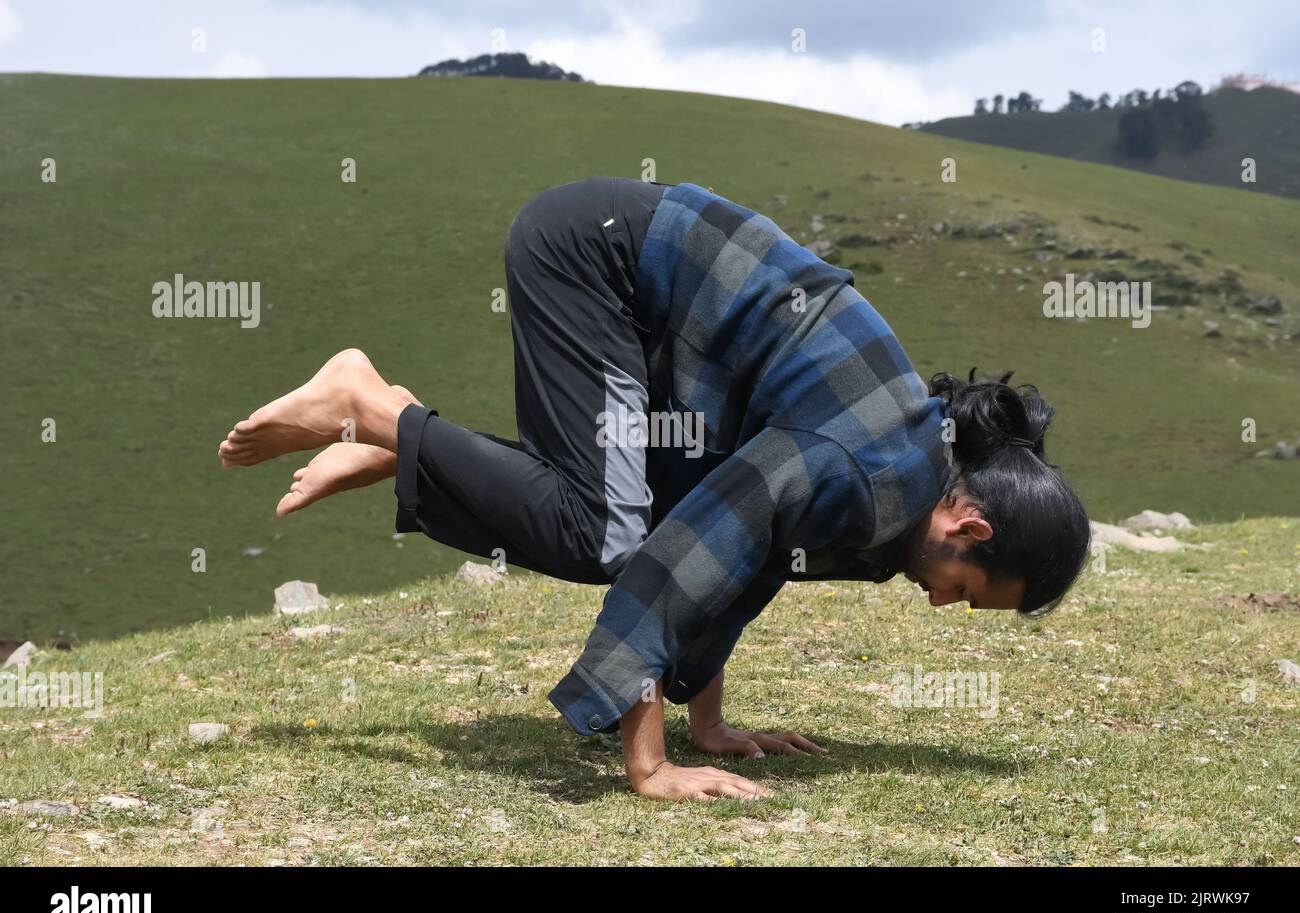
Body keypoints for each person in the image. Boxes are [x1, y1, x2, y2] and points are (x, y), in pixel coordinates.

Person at [218, 177, 1090, 801]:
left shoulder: (903, 483)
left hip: (647, 299)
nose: (945, 608)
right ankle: (369, 406)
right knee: (604, 534)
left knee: (609, 515)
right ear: (969, 527)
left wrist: (707, 723)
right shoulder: (872, 476)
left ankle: (402, 434)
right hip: (592, 257)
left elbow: (747, 562)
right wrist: (650, 763)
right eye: (970, 596)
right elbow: (684, 554)